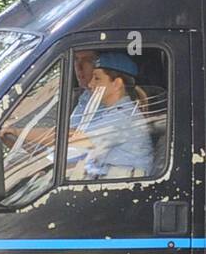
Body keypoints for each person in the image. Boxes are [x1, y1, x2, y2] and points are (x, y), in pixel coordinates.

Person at [66, 51, 154, 179]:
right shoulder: (115, 112)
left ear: (117, 83)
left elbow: (77, 144)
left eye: (97, 79)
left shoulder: (122, 117)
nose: (91, 85)